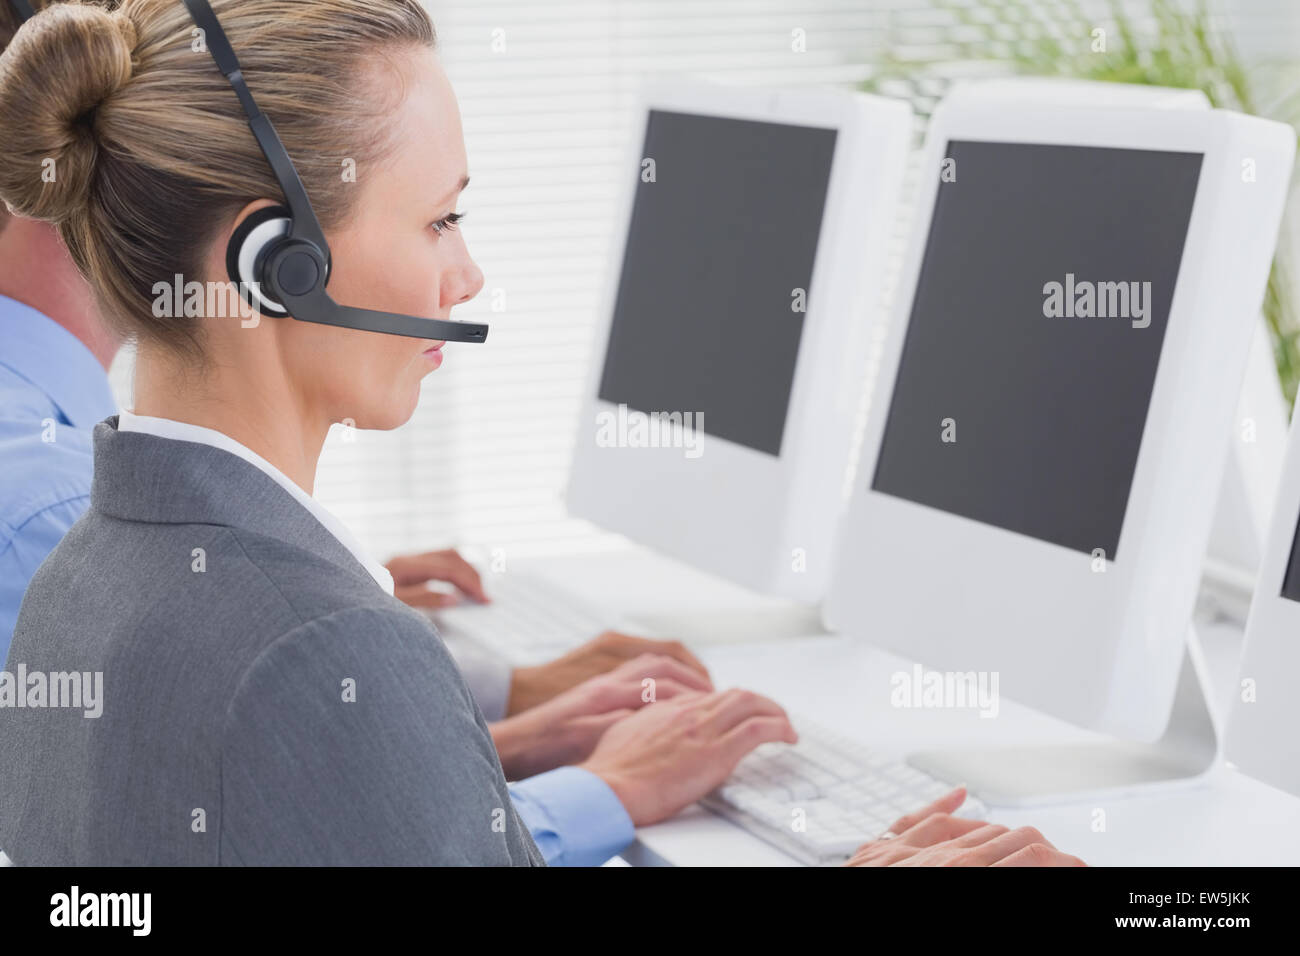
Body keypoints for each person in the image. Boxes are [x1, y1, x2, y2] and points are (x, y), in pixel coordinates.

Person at [0, 0, 1082, 867]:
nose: (465, 275)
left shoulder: (83, 577)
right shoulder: (327, 645)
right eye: (439, 220)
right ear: (270, 264)